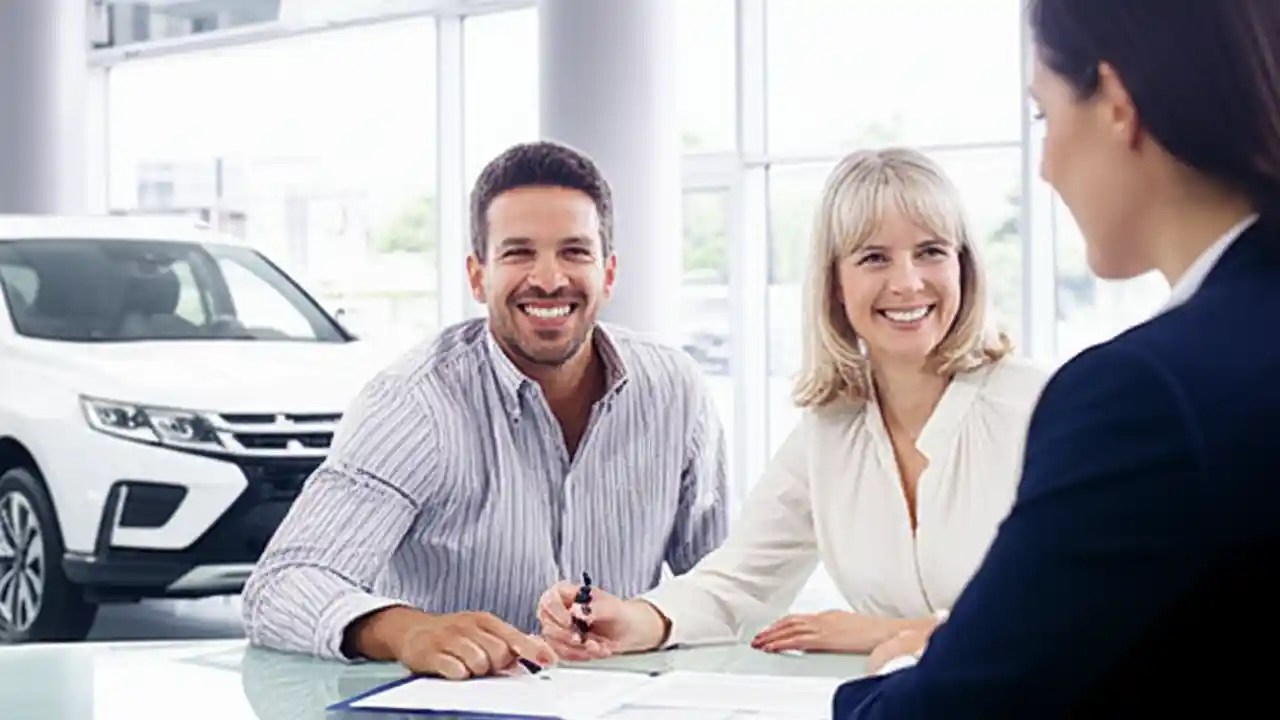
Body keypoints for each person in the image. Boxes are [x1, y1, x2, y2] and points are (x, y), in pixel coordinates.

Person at [833, 1, 1280, 716]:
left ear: (1117, 106)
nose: (1044, 169)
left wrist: (898, 672)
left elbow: (959, 707)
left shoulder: (1143, 397)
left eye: (1044, 116)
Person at [536, 147, 1049, 661]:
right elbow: (739, 579)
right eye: (874, 258)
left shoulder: (1041, 406)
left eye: (931, 251)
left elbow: (1076, 606)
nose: (907, 282)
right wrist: (637, 619)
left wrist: (890, 632)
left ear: (963, 267)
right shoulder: (831, 428)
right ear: (836, 284)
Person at [242, 141, 729, 679]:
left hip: (624, 701)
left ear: (608, 274)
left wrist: (660, 622)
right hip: (449, 705)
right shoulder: (414, 404)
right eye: (518, 253)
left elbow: (727, 585)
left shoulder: (675, 390)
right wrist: (406, 630)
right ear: (478, 276)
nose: (549, 279)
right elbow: (281, 587)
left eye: (574, 252)